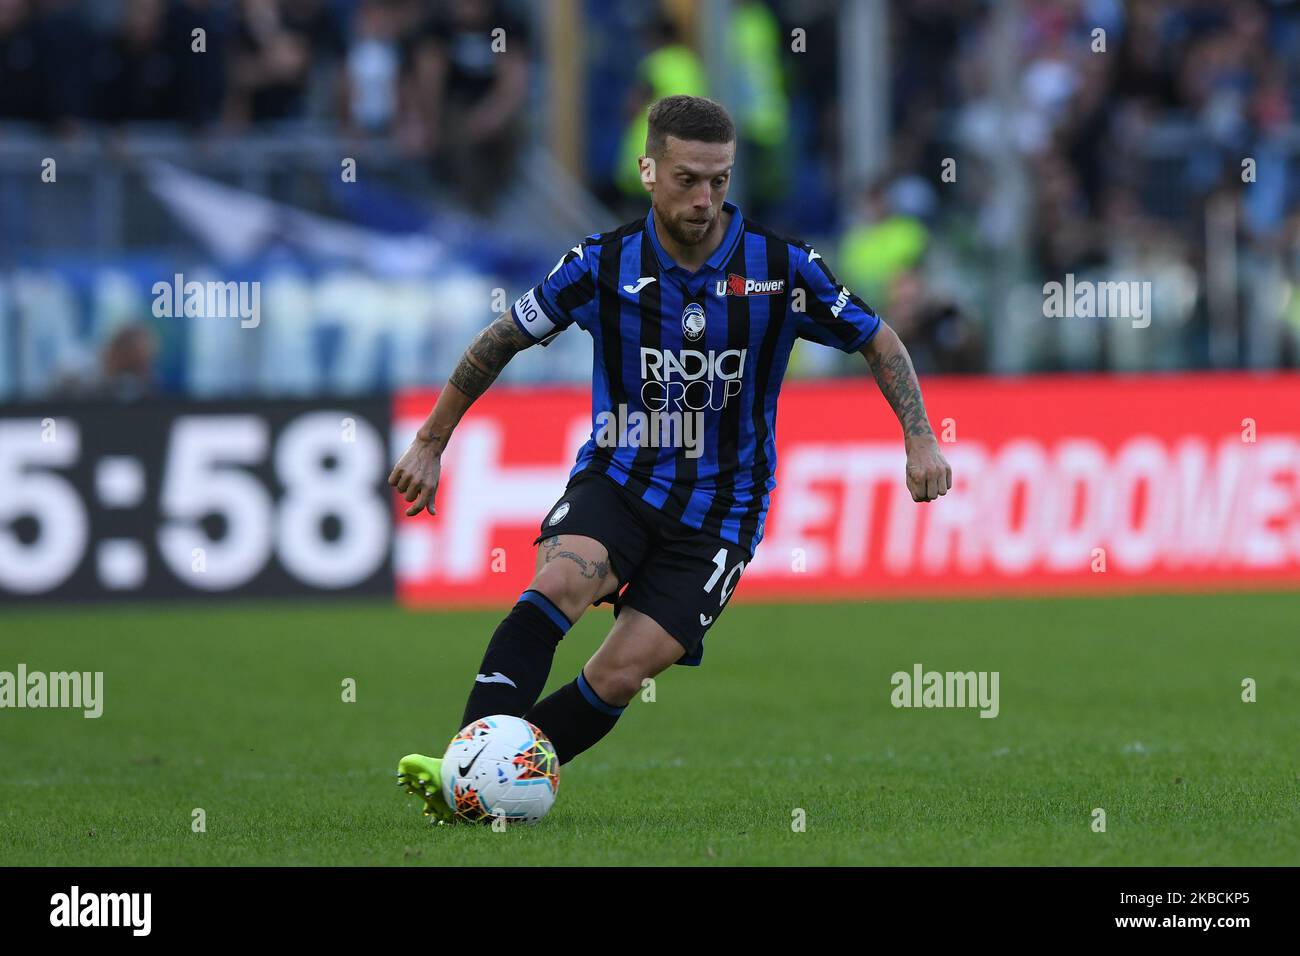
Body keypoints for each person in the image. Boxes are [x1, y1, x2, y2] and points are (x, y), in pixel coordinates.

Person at [388, 95, 952, 823]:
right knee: (561, 580)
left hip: (723, 512)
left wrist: (921, 436)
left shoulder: (780, 270)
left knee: (622, 672)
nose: (705, 198)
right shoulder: (603, 264)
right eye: (688, 178)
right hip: (621, 477)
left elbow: (878, 338)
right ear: (648, 170)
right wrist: (433, 441)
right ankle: (467, 765)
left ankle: (499, 777)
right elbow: (505, 337)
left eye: (720, 180)